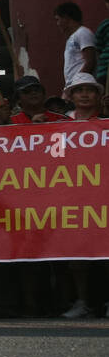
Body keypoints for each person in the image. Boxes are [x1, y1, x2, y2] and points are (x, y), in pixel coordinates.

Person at [60, 73, 108, 319]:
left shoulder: (106, 123)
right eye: (80, 90)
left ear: (99, 95)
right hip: (73, 196)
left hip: (103, 196)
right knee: (77, 254)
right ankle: (82, 301)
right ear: (72, 96)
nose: (85, 94)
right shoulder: (59, 126)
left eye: (90, 90)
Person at [56, 1, 97, 94]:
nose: (57, 24)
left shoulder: (83, 33)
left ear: (66, 18)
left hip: (82, 87)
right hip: (73, 87)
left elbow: (90, 61)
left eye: (58, 19)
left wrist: (77, 83)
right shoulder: (72, 38)